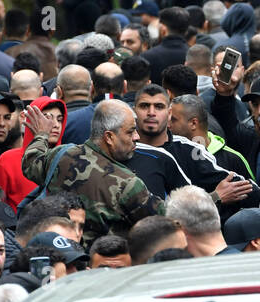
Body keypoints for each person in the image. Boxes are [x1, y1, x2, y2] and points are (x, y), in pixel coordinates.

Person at [20, 99, 166, 247]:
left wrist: (42, 135)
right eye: (130, 131)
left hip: (55, 251)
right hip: (103, 259)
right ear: (109, 137)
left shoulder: (61, 155)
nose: (136, 137)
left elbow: (30, 164)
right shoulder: (128, 184)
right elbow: (165, 223)